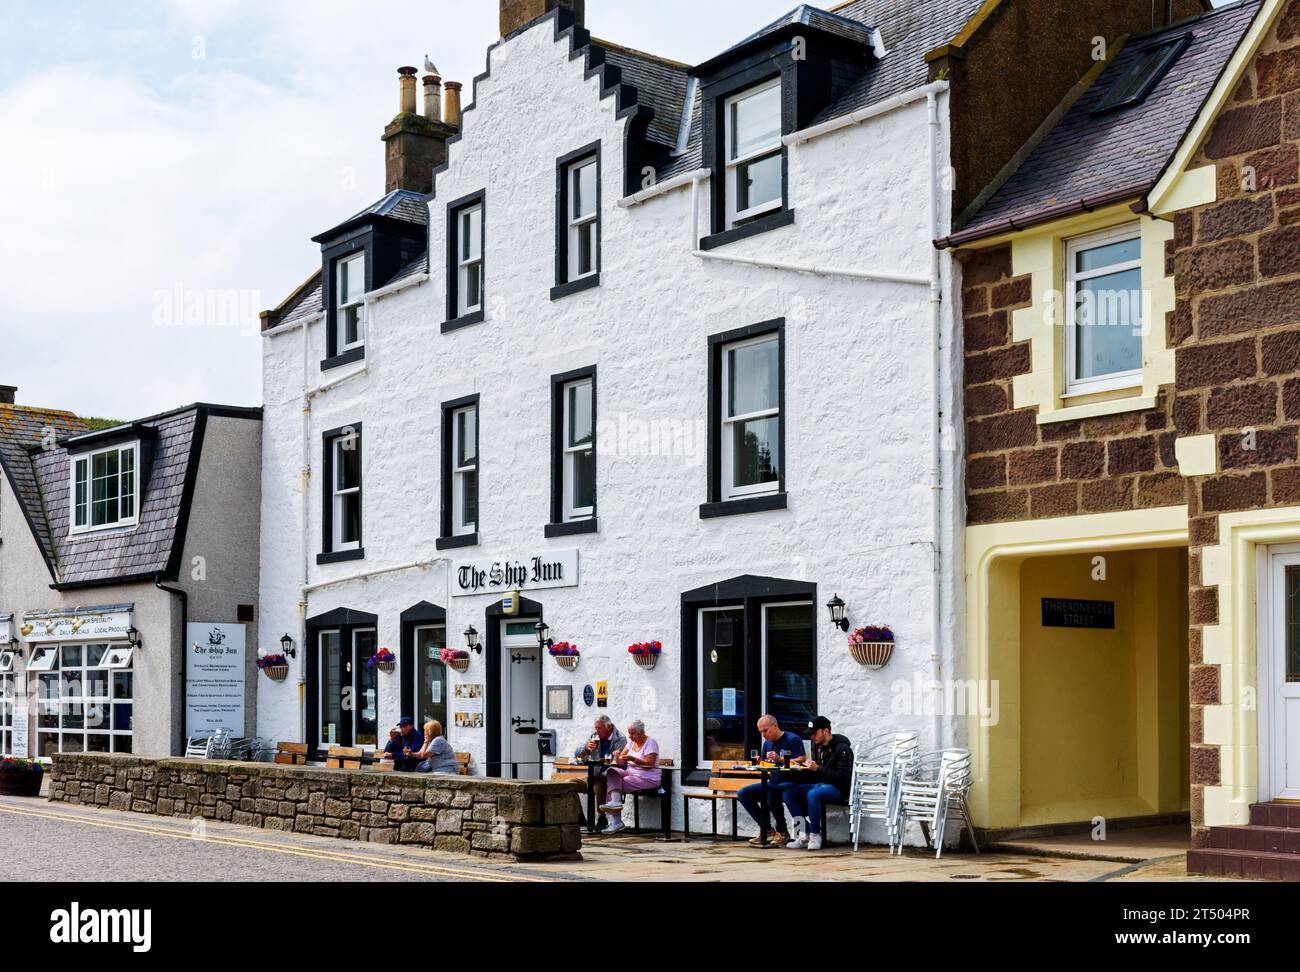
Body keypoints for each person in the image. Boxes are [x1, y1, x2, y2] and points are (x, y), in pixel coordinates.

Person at [782, 716, 854, 850]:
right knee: (789, 793)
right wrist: (802, 768)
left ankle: (815, 834)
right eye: (810, 734)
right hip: (821, 784)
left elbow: (843, 777)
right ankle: (804, 832)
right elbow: (817, 772)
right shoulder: (819, 747)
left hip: (838, 788)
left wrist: (818, 769)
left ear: (825, 731)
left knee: (813, 794)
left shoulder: (843, 749)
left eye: (814, 733)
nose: (812, 737)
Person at [737, 714, 807, 847]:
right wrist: (759, 762)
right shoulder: (767, 744)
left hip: (792, 781)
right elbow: (766, 764)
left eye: (765, 730)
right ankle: (767, 830)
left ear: (775, 726)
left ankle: (782, 831)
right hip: (773, 781)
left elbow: (802, 760)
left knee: (771, 790)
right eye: (761, 731)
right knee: (743, 793)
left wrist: (780, 759)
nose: (763, 734)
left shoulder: (792, 739)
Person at [598, 720, 661, 835]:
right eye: (629, 733)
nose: (630, 737)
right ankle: (616, 804)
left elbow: (650, 763)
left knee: (613, 788)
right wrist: (618, 755)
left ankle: (616, 821)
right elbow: (622, 760)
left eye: (633, 734)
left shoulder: (651, 743)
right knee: (611, 771)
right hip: (631, 772)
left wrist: (633, 759)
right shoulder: (631, 743)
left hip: (648, 778)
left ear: (641, 732)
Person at [574, 715, 627, 832]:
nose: (596, 731)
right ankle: (580, 817)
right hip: (592, 776)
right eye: (596, 728)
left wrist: (605, 760)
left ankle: (601, 818)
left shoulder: (620, 739)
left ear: (608, 727)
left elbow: (618, 762)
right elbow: (577, 753)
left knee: (599, 786)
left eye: (599, 728)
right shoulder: (594, 736)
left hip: (606, 777)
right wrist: (586, 748)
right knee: (570, 784)